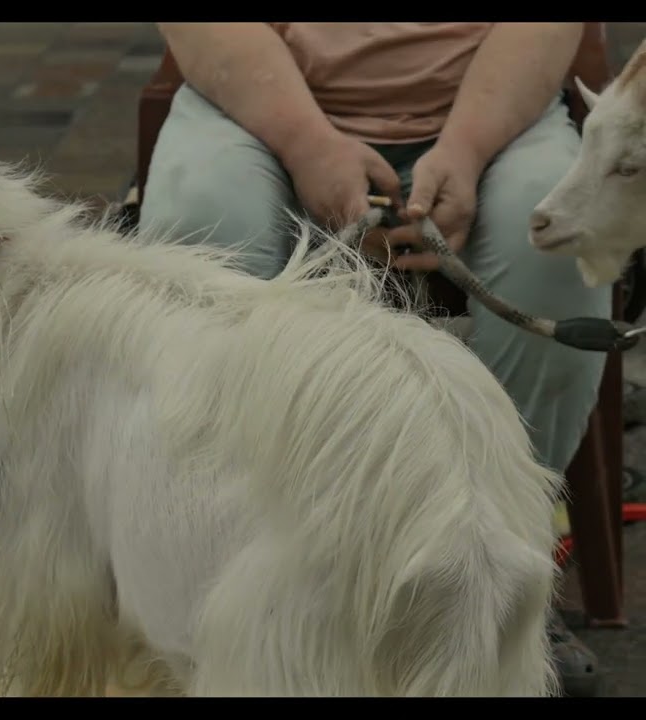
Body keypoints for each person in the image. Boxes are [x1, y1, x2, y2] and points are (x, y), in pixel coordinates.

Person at [140, 22, 608, 697]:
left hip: (494, 106)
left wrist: (470, 145)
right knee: (201, 231)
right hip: (257, 101)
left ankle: (508, 578)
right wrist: (306, 143)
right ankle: (231, 577)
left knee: (553, 249)